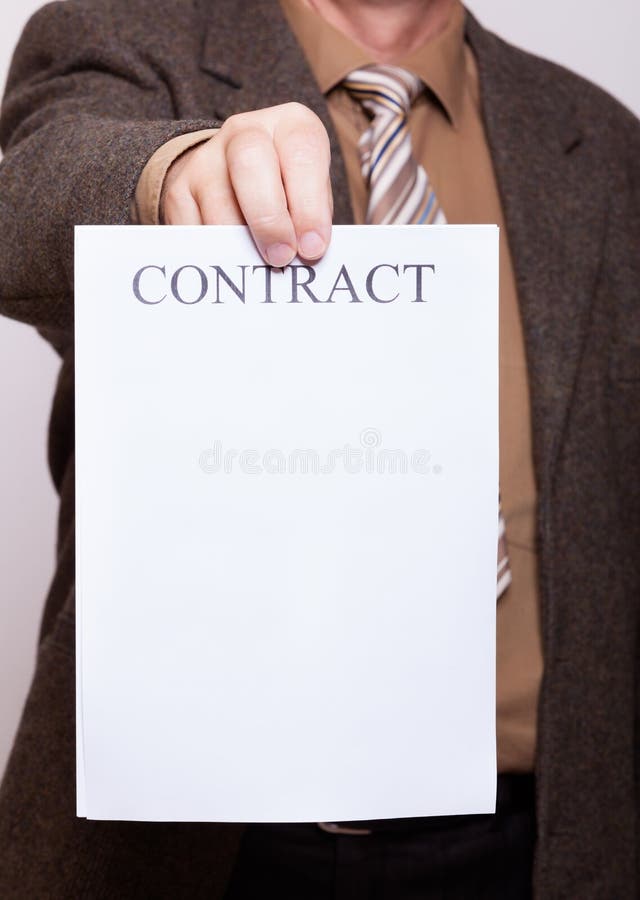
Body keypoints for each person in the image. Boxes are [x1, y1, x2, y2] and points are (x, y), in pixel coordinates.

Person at [0, 0, 638, 897]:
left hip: (540, 837)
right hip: (206, 842)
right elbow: (21, 208)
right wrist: (169, 173)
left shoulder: (601, 136)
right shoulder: (125, 36)